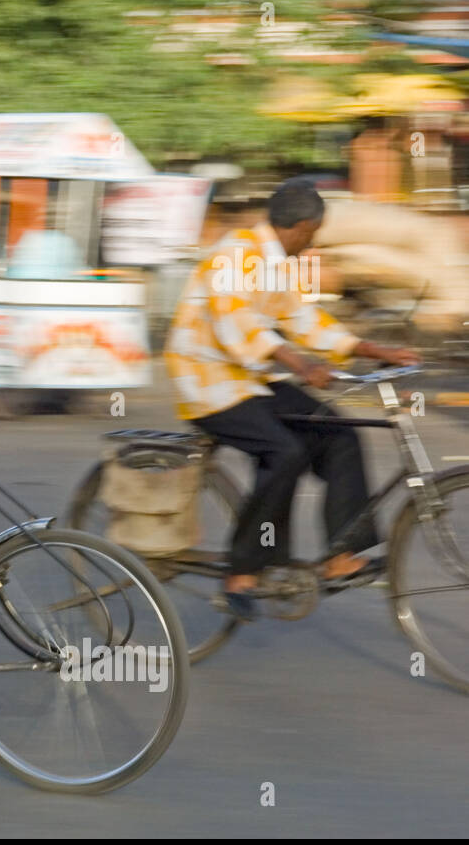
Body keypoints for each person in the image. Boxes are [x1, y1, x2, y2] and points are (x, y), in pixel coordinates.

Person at [164, 177, 419, 620]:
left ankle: (340, 557)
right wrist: (300, 365)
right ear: (303, 226)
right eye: (314, 235)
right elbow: (234, 322)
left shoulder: (273, 262)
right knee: (285, 452)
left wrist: (373, 350)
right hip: (206, 383)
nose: (312, 242)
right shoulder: (234, 252)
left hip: (250, 379)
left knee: (339, 434)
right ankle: (242, 571)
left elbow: (303, 318)